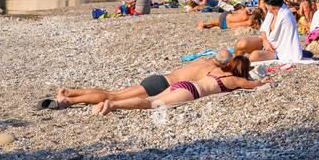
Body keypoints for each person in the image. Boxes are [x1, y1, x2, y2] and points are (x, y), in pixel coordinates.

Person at [96, 49, 270, 114]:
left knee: (151, 100)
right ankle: (113, 105)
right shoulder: (236, 80)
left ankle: (113, 102)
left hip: (182, 84)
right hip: (191, 92)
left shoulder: (218, 69)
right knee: (151, 104)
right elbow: (255, 84)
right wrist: (263, 80)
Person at [50, 51, 247, 109]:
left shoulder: (203, 59)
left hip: (158, 78)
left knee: (114, 92)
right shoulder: (212, 70)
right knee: (113, 95)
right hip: (163, 86)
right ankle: (69, 99)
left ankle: (71, 92)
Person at [242, 0, 304, 68]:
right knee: (242, 43)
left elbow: (286, 42)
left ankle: (240, 67)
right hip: (266, 42)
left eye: (266, 5)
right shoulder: (272, 12)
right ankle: (233, 64)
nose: (266, 7)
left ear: (271, 6)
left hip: (277, 50)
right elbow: (263, 29)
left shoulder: (285, 16)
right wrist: (265, 41)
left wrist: (268, 45)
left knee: (254, 56)